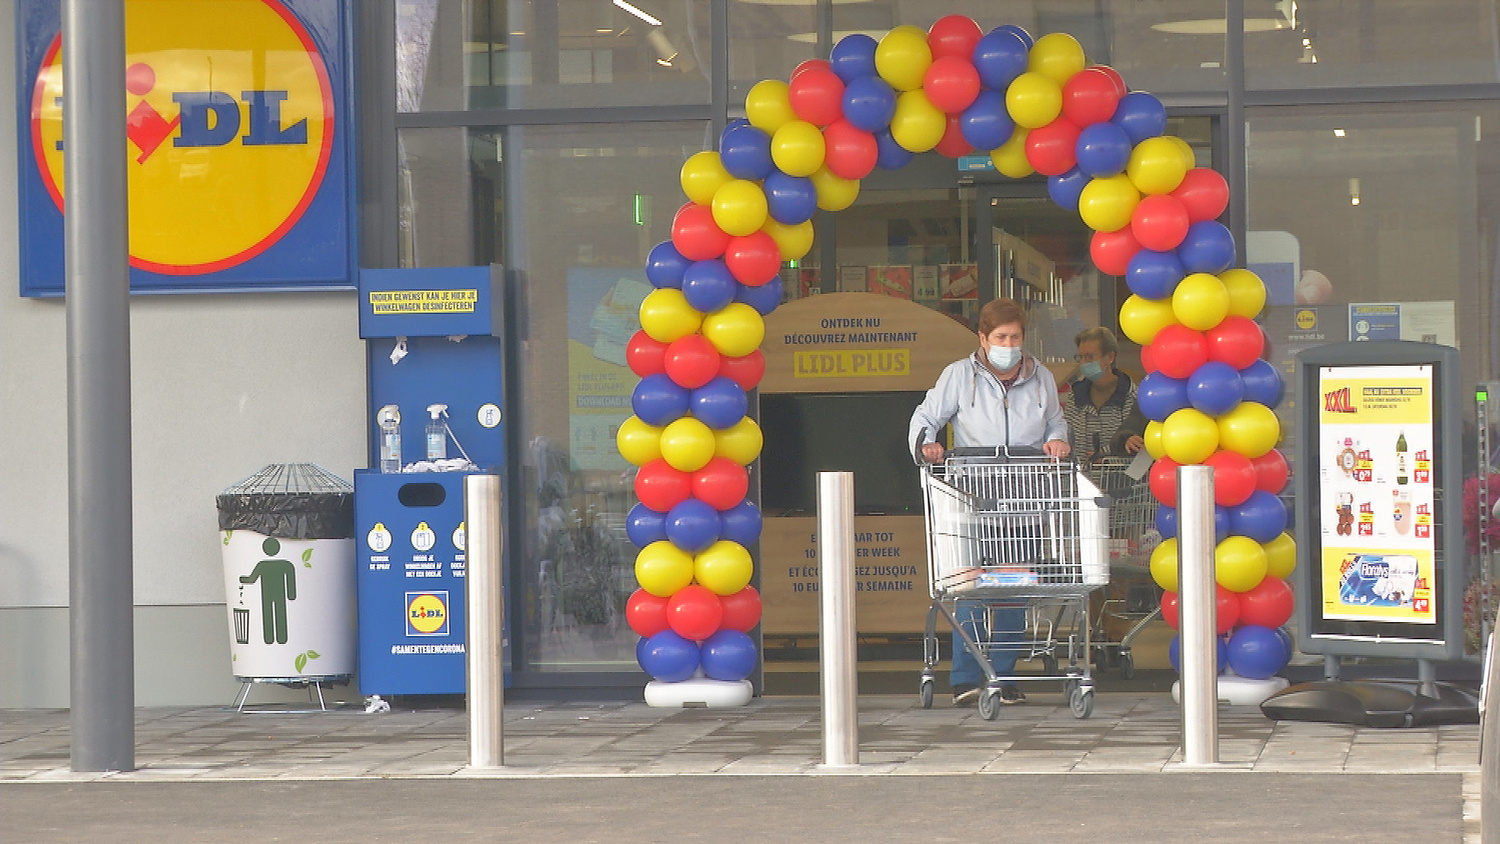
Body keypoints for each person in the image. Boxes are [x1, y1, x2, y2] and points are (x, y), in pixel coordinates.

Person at [908, 298, 1070, 707]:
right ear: (983, 338)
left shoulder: (1041, 377)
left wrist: (1057, 438)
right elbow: (927, 417)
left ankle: (1003, 675)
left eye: (1015, 337)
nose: (1009, 344)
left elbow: (1055, 420)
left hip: (1024, 497)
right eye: (1000, 337)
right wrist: (927, 445)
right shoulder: (959, 376)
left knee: (1014, 590)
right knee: (972, 589)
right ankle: (966, 677)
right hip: (973, 498)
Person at [1061, 326, 1144, 461]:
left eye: (1089, 357)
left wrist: (1103, 454)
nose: (1083, 363)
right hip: (1080, 476)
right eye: (1080, 357)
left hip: (1117, 477)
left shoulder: (1131, 395)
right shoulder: (1075, 394)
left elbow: (1132, 436)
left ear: (1110, 357)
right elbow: (1067, 434)